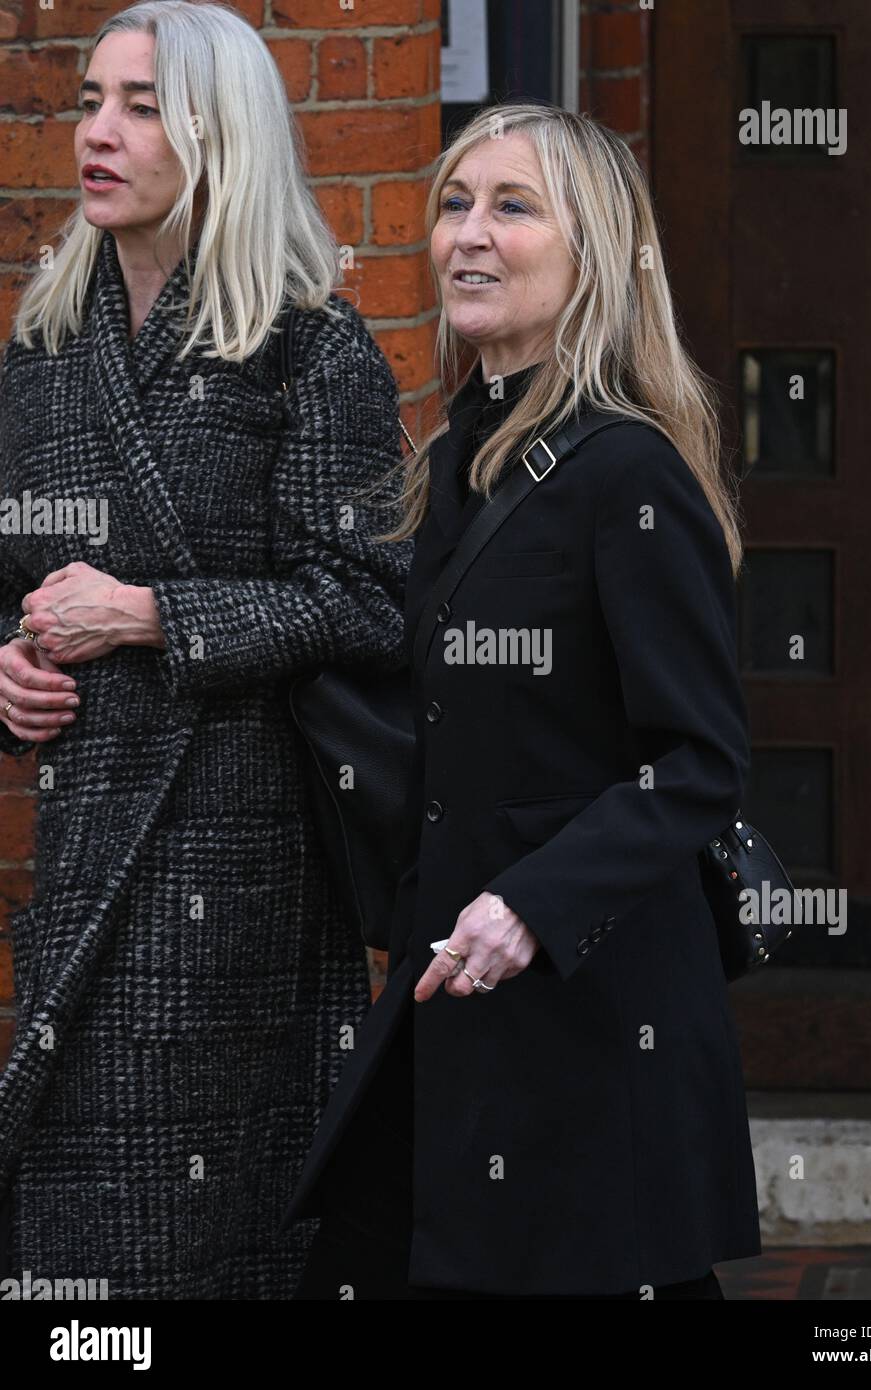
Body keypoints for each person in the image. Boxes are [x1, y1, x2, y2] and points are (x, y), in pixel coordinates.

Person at [281, 102, 761, 1299]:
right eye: (454, 204)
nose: (467, 236)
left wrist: (531, 906)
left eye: (511, 206)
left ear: (590, 252)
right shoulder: (460, 457)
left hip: (589, 1013)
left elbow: (698, 761)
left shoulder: (628, 473)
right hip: (457, 1001)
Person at [0, 0, 409, 1299]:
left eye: (141, 106)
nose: (98, 135)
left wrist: (154, 615)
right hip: (84, 866)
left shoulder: (311, 345)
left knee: (225, 1242)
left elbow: (364, 600)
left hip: (247, 872)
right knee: (81, 1260)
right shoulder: (42, 358)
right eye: (88, 102)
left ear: (218, 134)